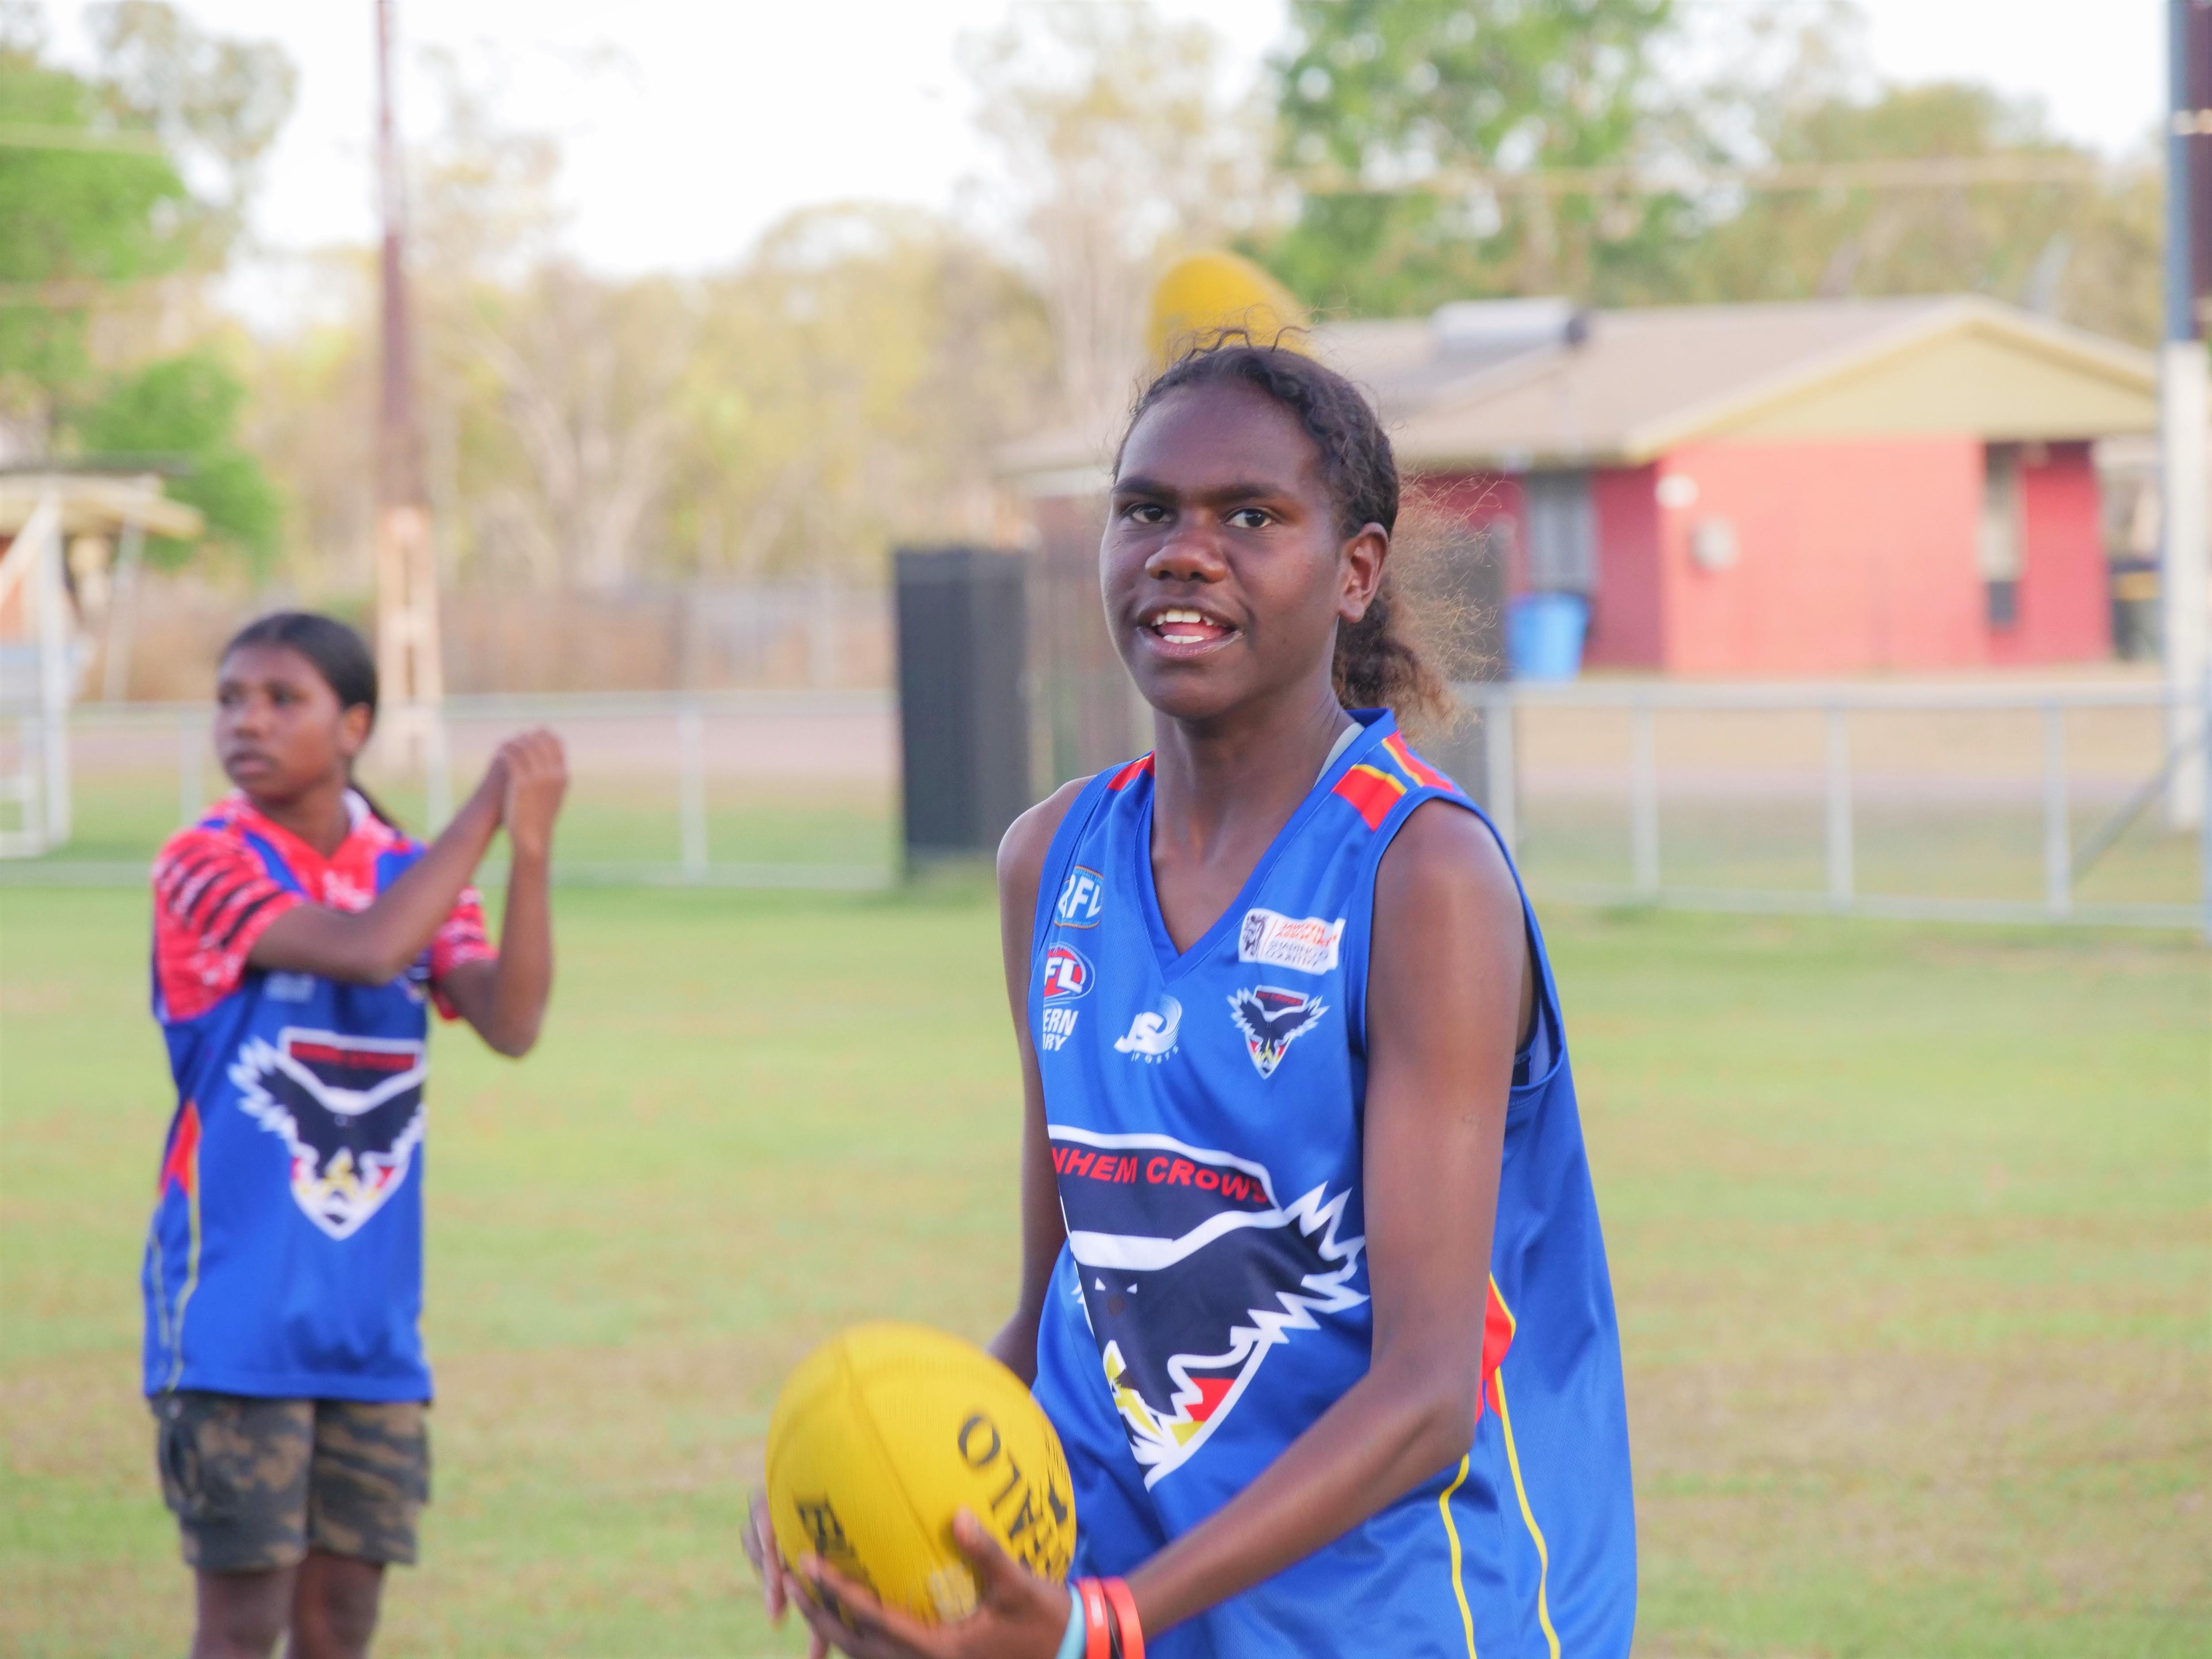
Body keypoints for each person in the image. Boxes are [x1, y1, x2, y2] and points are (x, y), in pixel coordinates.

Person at [746, 340, 1635, 1659]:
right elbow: (1073, 1305)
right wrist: (865, 1494)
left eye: (1251, 516)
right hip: (1131, 1596)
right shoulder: (1048, 862)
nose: (1182, 548)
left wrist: (1100, 1624)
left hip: (1392, 1615)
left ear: (1357, 571)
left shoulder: (1422, 874)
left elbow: (1427, 1395)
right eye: (1147, 510)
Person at [141, 611, 567, 1659]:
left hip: (372, 1327)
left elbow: (509, 1023)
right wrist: (481, 812)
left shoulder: (410, 870)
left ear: (355, 726)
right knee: (242, 1629)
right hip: (235, 1322)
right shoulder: (203, 860)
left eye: (283, 699)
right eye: (231, 698)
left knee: (342, 1631)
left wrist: (532, 852)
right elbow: (372, 951)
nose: (247, 721)